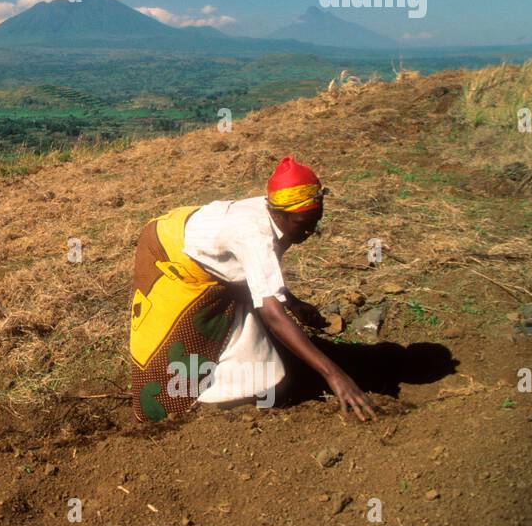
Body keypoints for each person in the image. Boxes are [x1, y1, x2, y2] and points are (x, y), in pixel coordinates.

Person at [129, 156, 377, 423]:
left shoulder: (283, 218)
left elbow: (258, 275)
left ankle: (229, 392)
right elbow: (272, 315)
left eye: (315, 222)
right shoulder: (254, 234)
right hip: (167, 254)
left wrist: (292, 302)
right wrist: (334, 375)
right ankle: (195, 402)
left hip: (202, 251)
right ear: (278, 214)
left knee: (244, 332)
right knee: (163, 377)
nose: (309, 230)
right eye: (304, 224)